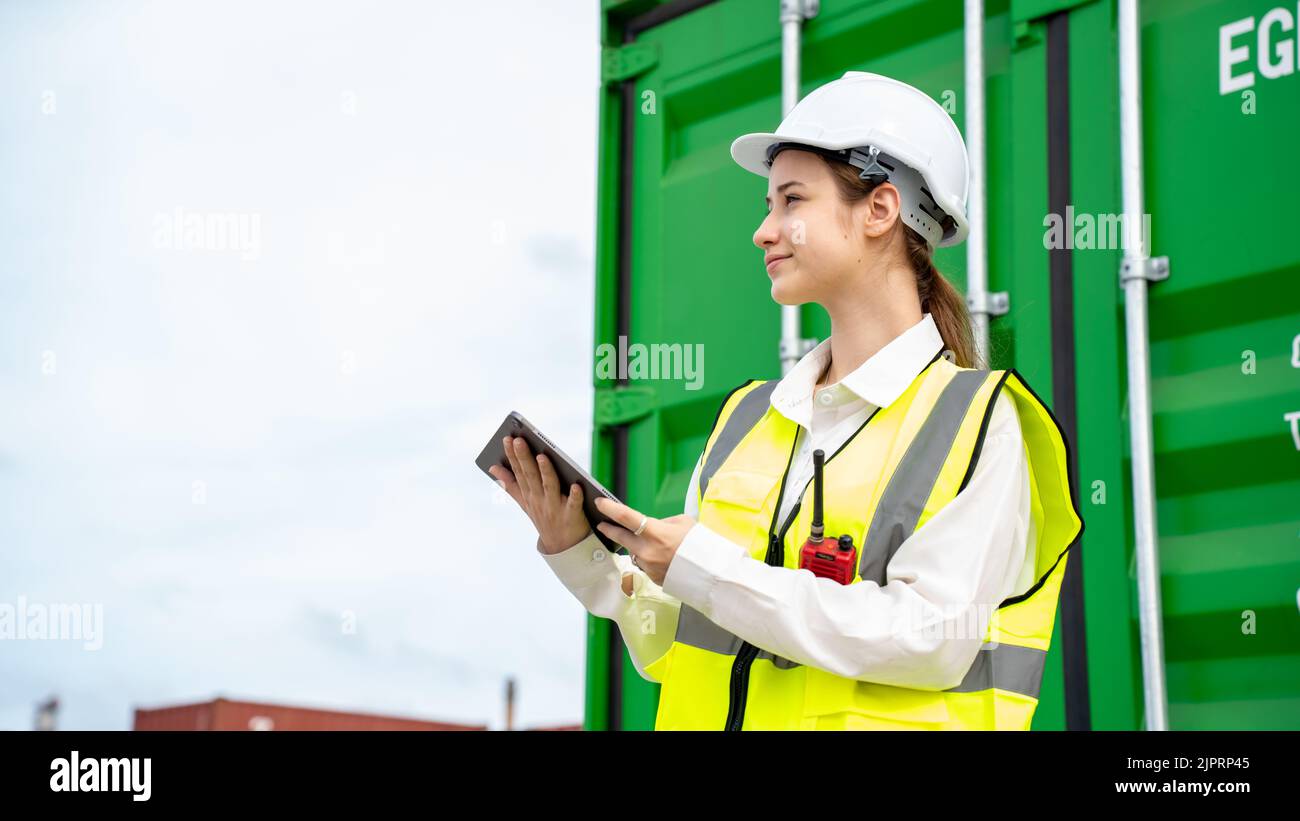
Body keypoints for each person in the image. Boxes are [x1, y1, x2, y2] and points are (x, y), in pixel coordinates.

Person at [490, 71, 1083, 730]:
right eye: (768, 205)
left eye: (790, 201)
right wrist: (583, 553)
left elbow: (933, 639)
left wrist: (711, 570)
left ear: (880, 210)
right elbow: (675, 650)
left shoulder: (980, 423)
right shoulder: (747, 419)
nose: (764, 231)